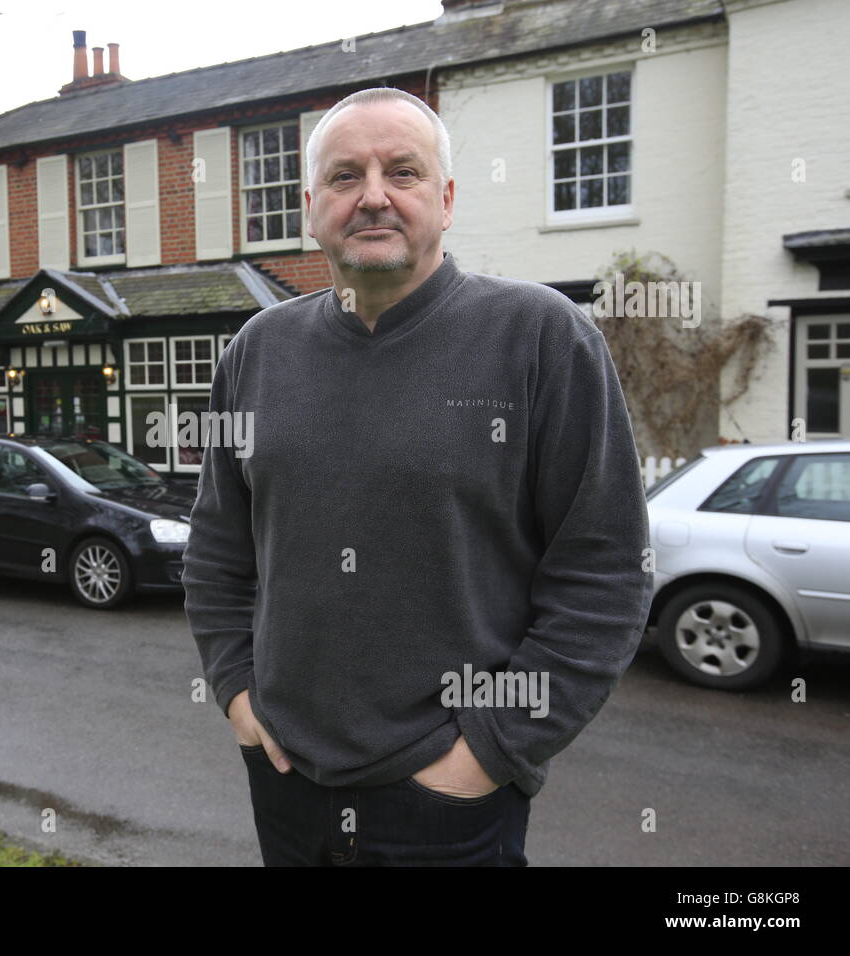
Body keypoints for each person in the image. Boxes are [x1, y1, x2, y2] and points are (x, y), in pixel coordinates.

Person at [181, 86, 654, 866]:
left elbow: (604, 575)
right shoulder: (257, 351)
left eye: (402, 172)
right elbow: (217, 552)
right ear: (311, 206)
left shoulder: (541, 338)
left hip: (449, 805)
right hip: (285, 780)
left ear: (447, 197)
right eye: (344, 177)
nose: (373, 197)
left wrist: (486, 754)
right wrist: (239, 699)